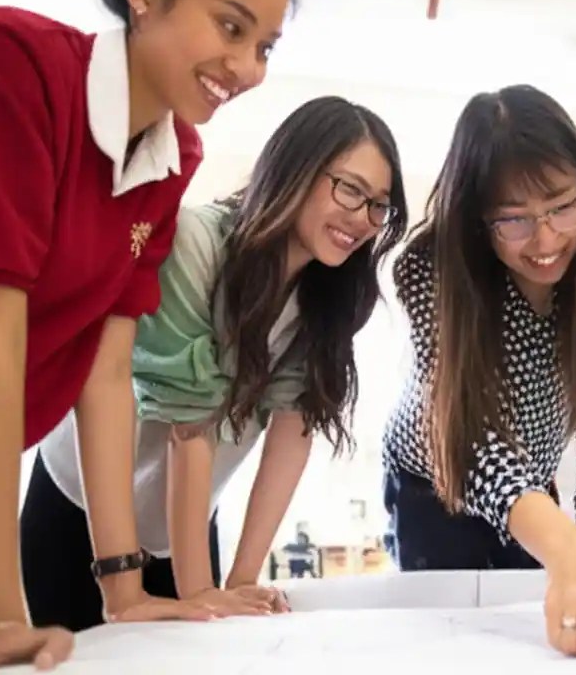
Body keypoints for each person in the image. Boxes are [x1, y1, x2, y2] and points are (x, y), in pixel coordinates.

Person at [0, 0, 295, 666]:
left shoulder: (175, 154)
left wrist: (123, 588)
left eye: (265, 48)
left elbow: (107, 369)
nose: (247, 67)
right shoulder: (20, 67)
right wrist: (4, 611)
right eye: (231, 25)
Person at [24, 96, 407, 631]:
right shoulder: (197, 245)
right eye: (349, 188)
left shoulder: (324, 298)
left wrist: (243, 577)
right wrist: (200, 591)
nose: (362, 218)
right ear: (296, 167)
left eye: (378, 206)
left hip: (181, 522)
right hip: (80, 511)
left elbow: (292, 435)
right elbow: (190, 428)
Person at [381, 84, 576, 662]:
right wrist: (565, 548)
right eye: (515, 220)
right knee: (455, 646)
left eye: (562, 207)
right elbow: (467, 434)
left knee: (540, 638)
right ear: (478, 219)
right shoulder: (430, 268)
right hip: (437, 484)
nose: (547, 240)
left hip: (535, 485)